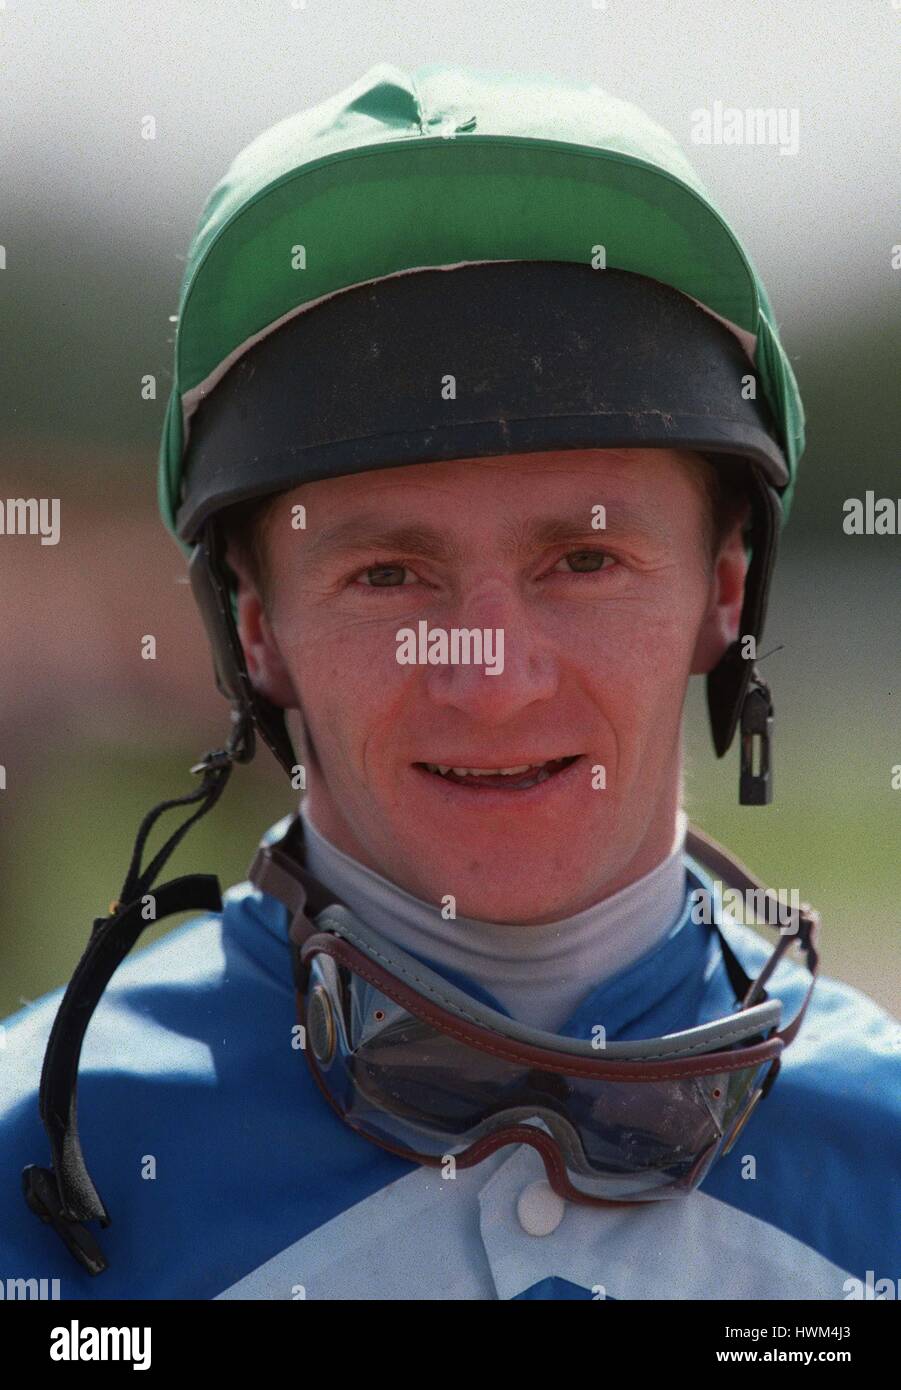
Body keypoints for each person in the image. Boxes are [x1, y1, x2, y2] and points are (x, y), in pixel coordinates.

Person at [1, 63, 897, 1302]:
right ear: (254, 629)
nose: (489, 679)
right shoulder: (32, 1166)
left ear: (724, 593)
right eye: (386, 575)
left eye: (584, 559)